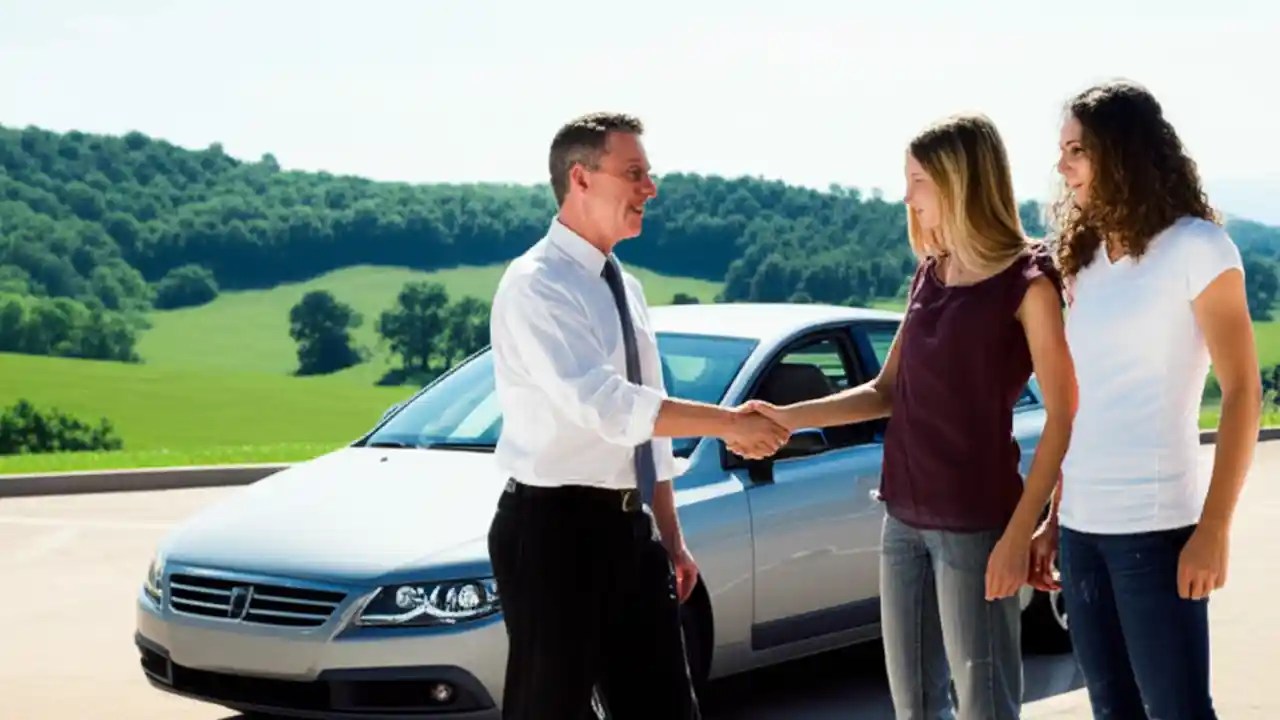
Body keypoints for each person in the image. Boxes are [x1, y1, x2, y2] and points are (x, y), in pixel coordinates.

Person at [747, 112, 1077, 719]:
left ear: (959, 181)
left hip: (977, 523)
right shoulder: (931, 273)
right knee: (916, 707)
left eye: (918, 179)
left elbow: (1063, 415)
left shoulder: (1028, 282)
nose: (908, 196)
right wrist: (784, 418)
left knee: (985, 705)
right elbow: (885, 390)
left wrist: (1018, 536)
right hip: (901, 517)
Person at [486, 111, 790, 720]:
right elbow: (609, 407)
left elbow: (647, 431)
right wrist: (730, 423)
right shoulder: (535, 285)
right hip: (552, 533)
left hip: (631, 531)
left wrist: (671, 537)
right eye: (634, 173)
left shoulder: (626, 286)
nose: (650, 188)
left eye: (649, 174)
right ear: (581, 179)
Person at [1028, 78, 1262, 719]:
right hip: (1082, 533)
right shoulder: (1084, 260)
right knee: (1113, 711)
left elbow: (1243, 391)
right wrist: (1055, 516)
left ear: (1120, 152)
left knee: (1179, 711)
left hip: (1157, 533)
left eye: (1075, 149)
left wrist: (1214, 529)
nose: (1061, 165)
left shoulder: (1198, 247)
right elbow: (1082, 401)